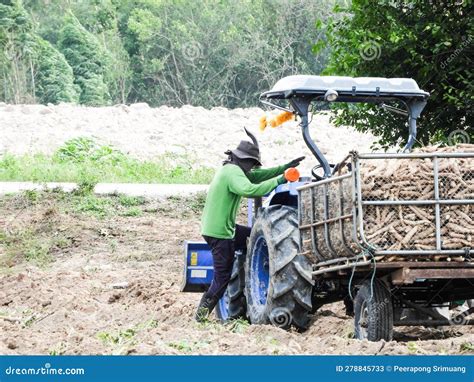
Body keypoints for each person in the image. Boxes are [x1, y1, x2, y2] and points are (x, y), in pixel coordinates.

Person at [195, 128, 304, 322]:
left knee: (253, 236)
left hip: (222, 228)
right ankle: (200, 316)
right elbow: (250, 189)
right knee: (222, 279)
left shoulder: (232, 169)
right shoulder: (233, 173)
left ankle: (252, 273)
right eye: (251, 164)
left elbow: (260, 175)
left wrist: (284, 167)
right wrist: (281, 179)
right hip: (220, 234)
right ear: (242, 160)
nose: (252, 168)